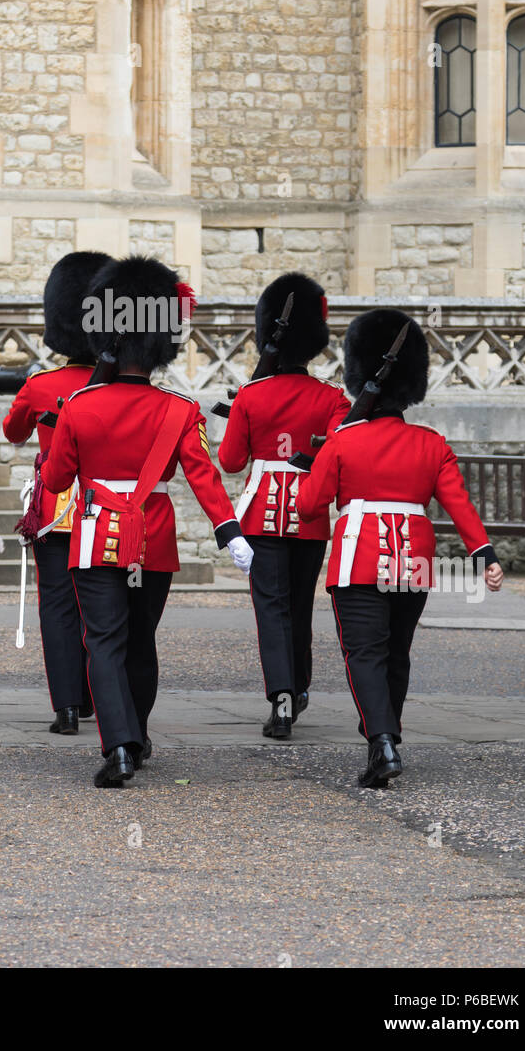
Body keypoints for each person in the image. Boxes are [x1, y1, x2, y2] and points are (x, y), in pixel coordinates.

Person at [42, 255, 253, 788]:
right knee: (141, 640)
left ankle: (118, 747)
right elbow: (204, 477)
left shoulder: (79, 406)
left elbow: (56, 481)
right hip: (151, 538)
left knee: (105, 640)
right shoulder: (180, 410)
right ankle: (135, 730)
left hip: (93, 536)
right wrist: (229, 531)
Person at [295, 308, 503, 788]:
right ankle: (389, 737)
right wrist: (485, 555)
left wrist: (318, 463)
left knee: (364, 652)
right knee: (397, 652)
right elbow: (459, 505)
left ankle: (382, 742)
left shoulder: (344, 441)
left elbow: (308, 508)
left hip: (358, 558)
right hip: (412, 559)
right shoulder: (431, 444)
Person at [218, 273, 349, 740]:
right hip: (309, 517)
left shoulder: (252, 395)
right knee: (298, 606)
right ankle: (300, 685)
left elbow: (231, 462)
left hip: (259, 516)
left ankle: (282, 699)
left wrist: (245, 420)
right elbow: (337, 452)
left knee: (270, 609)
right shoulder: (333, 398)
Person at [2, 250, 111, 734]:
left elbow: (12, 432)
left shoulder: (41, 384)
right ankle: (98, 694)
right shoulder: (117, 386)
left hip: (53, 505)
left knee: (58, 606)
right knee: (104, 606)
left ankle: (67, 706)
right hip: (108, 508)